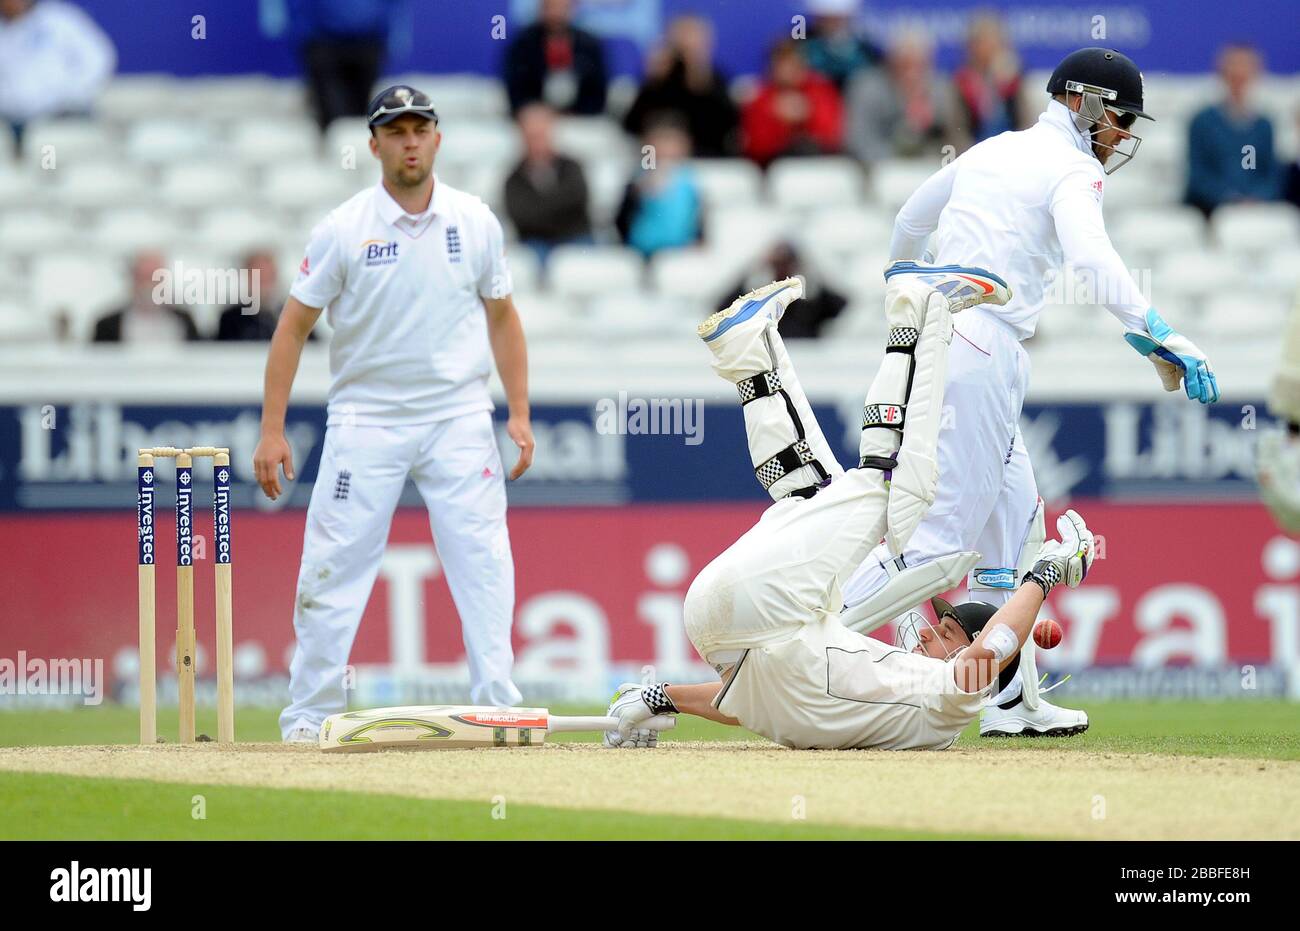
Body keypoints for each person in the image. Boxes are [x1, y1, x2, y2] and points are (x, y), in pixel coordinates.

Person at [832, 48, 1219, 738]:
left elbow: (911, 222)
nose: (1123, 135)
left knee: (1017, 525)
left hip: (947, 335)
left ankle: (1013, 701)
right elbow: (1093, 261)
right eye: (1120, 118)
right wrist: (1162, 332)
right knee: (941, 546)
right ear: (1087, 103)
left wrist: (907, 289)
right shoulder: (1069, 166)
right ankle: (805, 638)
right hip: (984, 347)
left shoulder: (991, 151)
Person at [599, 270, 1095, 751]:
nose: (925, 631)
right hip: (729, 630)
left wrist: (1046, 574)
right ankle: (748, 351)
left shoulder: (952, 702)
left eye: (944, 632)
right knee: (810, 492)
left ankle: (914, 307)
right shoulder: (892, 690)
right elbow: (744, 704)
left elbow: (990, 652)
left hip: (757, 615)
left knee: (898, 489)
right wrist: (659, 696)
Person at [254, 85, 536, 743]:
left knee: (484, 560)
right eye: (396, 131)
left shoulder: (476, 221)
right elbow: (292, 328)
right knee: (334, 564)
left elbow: (504, 316)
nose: (409, 141)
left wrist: (518, 411)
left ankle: (498, 707)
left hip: (459, 415)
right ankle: (308, 716)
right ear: (374, 144)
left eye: (420, 129)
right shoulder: (343, 228)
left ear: (437, 139)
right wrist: (272, 428)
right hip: (365, 418)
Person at [0, 0, 116, 156]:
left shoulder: (59, 19)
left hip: (59, 119)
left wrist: (68, 96)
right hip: (9, 123)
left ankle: (49, 173)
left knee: (49, 162)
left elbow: (99, 59)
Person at [1185, 43, 1283, 217]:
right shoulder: (1202, 122)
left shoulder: (1264, 125)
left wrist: (1257, 198)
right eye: (1234, 71)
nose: (1239, 76)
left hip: (1257, 210)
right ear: (1222, 73)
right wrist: (1229, 198)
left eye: (1245, 71)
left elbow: (1271, 175)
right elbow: (1198, 177)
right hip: (1210, 211)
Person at [622, 14, 738, 158]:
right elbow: (632, 125)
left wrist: (699, 80)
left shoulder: (714, 79)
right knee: (648, 158)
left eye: (694, 39)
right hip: (654, 158)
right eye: (682, 39)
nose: (687, 47)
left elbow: (728, 128)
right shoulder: (659, 80)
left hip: (704, 158)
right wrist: (653, 83)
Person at [845, 29, 967, 163]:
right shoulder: (868, 88)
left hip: (931, 169)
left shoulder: (941, 91)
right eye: (905, 64)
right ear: (890, 63)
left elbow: (959, 141)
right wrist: (898, 158)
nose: (912, 73)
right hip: (881, 172)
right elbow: (859, 141)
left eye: (919, 65)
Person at [503, 103, 592, 266]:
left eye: (541, 135)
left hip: (575, 239)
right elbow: (521, 217)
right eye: (532, 136)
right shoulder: (513, 178)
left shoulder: (572, 167)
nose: (537, 143)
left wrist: (540, 208)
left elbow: (578, 201)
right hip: (535, 244)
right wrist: (557, 208)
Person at [292, 0, 399, 133]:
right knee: (335, 120)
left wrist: (391, 37)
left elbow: (395, 6)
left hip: (368, 43)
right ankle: (338, 149)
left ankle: (351, 151)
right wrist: (304, 36)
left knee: (359, 120)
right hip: (324, 44)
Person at [741, 40, 843, 167]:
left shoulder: (822, 91)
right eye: (783, 63)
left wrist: (808, 114)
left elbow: (832, 137)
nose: (788, 70)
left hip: (820, 164)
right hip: (773, 167)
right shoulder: (760, 98)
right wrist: (777, 119)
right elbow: (756, 147)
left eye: (794, 63)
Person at [717, 241, 846, 339]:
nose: (782, 269)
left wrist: (812, 271)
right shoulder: (758, 301)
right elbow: (723, 309)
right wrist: (752, 270)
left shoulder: (809, 301)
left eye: (786, 263)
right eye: (777, 264)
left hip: (805, 363)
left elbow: (841, 305)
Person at [615, 117, 702, 258]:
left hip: (683, 250)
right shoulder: (639, 178)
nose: (666, 149)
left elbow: (697, 216)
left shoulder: (691, 179)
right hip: (643, 250)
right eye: (660, 142)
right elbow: (622, 218)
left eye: (671, 142)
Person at [504, 0, 607, 116]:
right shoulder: (523, 43)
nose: (556, 14)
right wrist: (533, 110)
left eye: (562, 7)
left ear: (572, 9)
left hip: (579, 118)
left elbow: (598, 93)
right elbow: (516, 90)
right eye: (551, 7)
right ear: (541, 9)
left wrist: (572, 113)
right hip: (535, 117)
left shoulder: (589, 45)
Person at [92, 250, 200, 344]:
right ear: (133, 278)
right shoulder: (107, 325)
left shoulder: (184, 320)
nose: (150, 286)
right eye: (145, 277)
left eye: (157, 278)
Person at [953, 13, 1025, 142]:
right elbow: (957, 128)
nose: (989, 48)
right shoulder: (962, 81)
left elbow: (1025, 122)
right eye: (983, 42)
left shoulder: (1015, 80)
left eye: (993, 41)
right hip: (972, 152)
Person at [800, 0, 881, 91]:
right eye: (825, 18)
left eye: (835, 18)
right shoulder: (803, 45)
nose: (830, 22)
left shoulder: (866, 51)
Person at [215, 250, 294, 342]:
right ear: (248, 277)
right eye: (259, 277)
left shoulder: (291, 315)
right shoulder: (231, 318)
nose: (264, 284)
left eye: (268, 276)